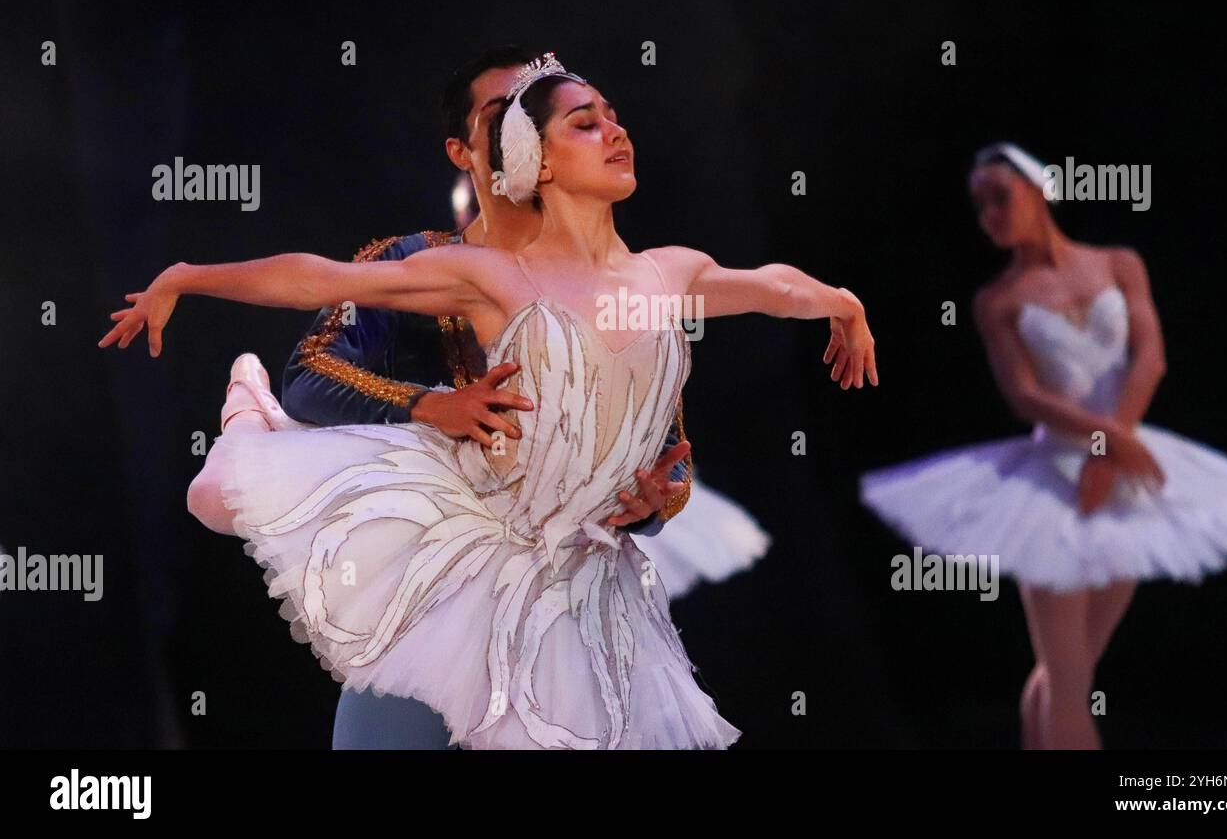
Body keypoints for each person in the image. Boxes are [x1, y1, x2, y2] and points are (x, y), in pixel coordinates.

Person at [102, 53, 877, 749]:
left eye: (613, 116)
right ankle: (252, 422)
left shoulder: (667, 274)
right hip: (472, 556)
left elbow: (772, 289)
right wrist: (188, 276)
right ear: (532, 158)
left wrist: (843, 304)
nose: (615, 131)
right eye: (586, 121)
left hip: (589, 585)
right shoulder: (488, 275)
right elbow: (324, 280)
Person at [859, 142, 1227, 750]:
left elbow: (1151, 359)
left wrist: (1112, 445)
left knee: (1073, 670)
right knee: (1067, 679)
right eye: (979, 206)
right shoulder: (997, 300)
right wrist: (1103, 440)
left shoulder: (1119, 263)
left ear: (1038, 190)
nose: (989, 215)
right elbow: (1024, 394)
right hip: (1052, 481)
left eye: (1000, 197)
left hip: (1126, 472)